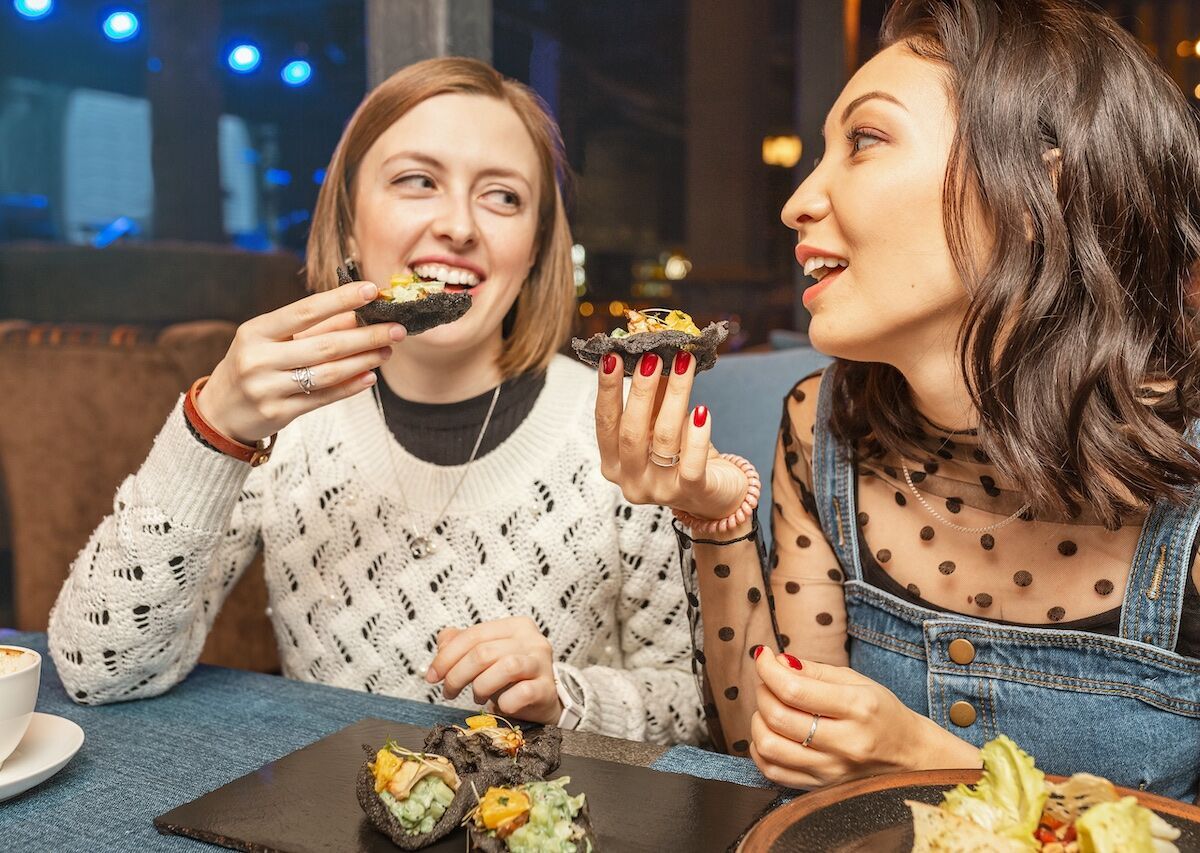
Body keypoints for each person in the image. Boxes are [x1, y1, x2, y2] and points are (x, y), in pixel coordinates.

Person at [596, 0, 1200, 799]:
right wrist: (715, 516)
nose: (798, 201)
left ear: (1036, 196)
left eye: (866, 141)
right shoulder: (824, 426)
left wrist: (936, 763)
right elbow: (772, 750)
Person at [48, 57, 704, 746]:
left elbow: (694, 709)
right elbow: (101, 670)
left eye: (502, 196)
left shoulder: (621, 422)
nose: (459, 225)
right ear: (352, 226)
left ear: (537, 248)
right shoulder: (284, 426)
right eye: (417, 181)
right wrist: (215, 428)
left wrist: (565, 696)